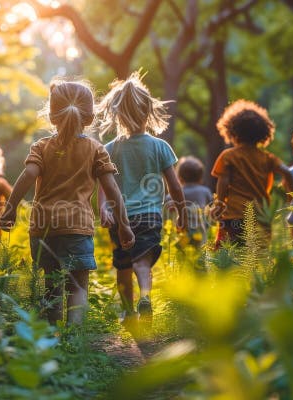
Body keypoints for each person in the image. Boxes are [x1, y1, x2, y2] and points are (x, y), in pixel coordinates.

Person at [0, 79, 134, 326]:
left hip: (43, 228)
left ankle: (49, 336)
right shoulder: (96, 149)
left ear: (52, 116)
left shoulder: (41, 147)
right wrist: (123, 225)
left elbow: (28, 175)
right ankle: (72, 339)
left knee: (51, 285)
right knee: (77, 287)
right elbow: (112, 188)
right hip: (77, 228)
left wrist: (10, 208)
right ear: (90, 117)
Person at [96, 72, 187, 324]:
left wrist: (103, 207)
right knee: (142, 262)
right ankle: (145, 297)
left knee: (123, 265)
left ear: (117, 114)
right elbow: (176, 187)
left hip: (119, 218)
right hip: (150, 215)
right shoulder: (160, 146)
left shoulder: (109, 149)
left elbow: (104, 183)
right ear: (148, 112)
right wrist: (182, 213)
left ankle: (128, 312)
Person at [210, 100, 293, 247]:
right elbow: (287, 172)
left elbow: (223, 180)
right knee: (258, 258)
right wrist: (291, 199)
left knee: (229, 255)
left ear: (232, 131)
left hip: (233, 216)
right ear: (263, 133)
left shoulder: (229, 155)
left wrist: (219, 203)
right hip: (260, 216)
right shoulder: (267, 158)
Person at [174, 156, 213, 246]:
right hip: (200, 230)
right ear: (200, 178)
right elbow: (211, 207)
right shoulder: (205, 191)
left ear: (179, 178)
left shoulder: (177, 193)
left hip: (181, 230)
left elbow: (168, 204)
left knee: (182, 255)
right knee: (199, 255)